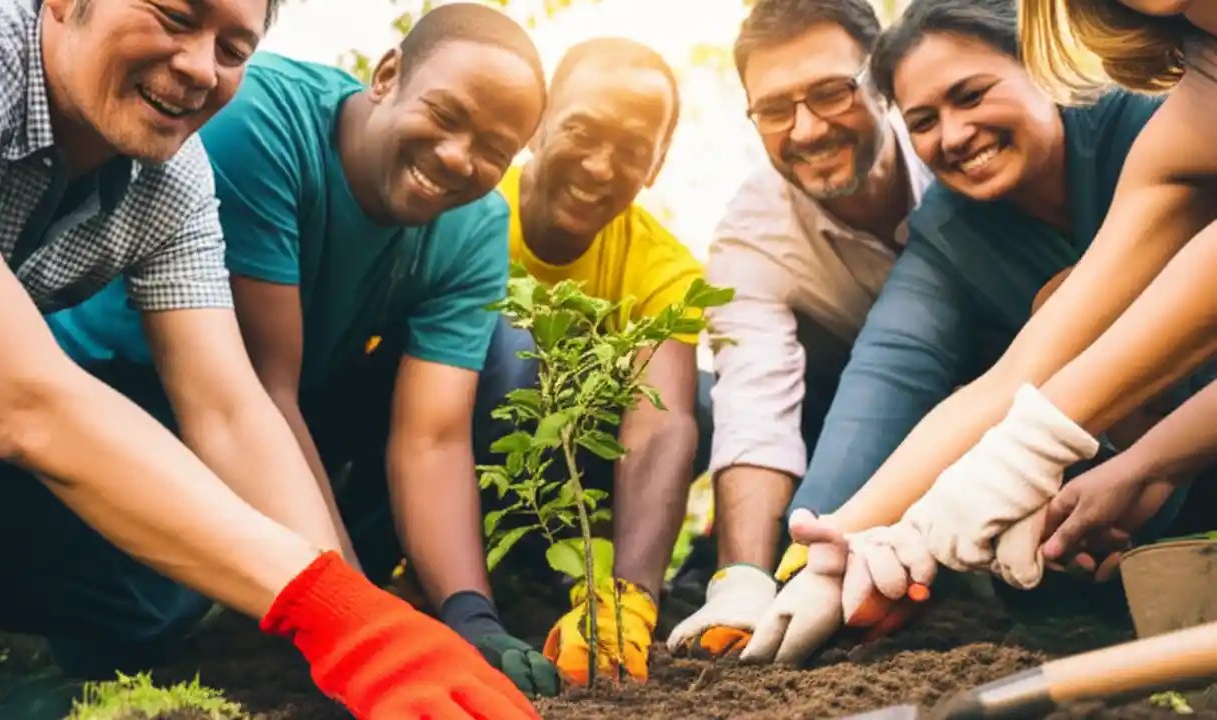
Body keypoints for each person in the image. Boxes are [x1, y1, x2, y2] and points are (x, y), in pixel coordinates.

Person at [0, 0, 543, 716]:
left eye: (232, 48)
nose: (199, 67)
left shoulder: (174, 175)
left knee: (165, 590)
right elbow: (26, 403)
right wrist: (343, 617)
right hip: (33, 404)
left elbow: (230, 408)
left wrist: (363, 623)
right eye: (172, 16)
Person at [748, 0, 1217, 665]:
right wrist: (826, 546)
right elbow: (926, 376)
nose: (956, 133)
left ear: (1038, 66)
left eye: (972, 95)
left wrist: (1039, 452)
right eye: (924, 121)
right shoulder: (1192, 107)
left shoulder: (1140, 112)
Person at [665, 0, 934, 660]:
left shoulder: (955, 152)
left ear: (884, 79)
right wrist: (744, 579)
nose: (806, 128)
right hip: (851, 419)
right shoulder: (752, 234)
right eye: (776, 108)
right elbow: (755, 401)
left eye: (830, 93)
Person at [475, 37, 706, 685]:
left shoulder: (663, 266)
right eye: (581, 129)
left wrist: (629, 598)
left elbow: (662, 424)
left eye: (634, 149)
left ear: (657, 165)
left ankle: (564, 579)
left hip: (573, 477)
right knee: (522, 353)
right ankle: (435, 566)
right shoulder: (472, 211)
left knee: (699, 399)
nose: (602, 167)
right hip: (445, 450)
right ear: (537, 125)